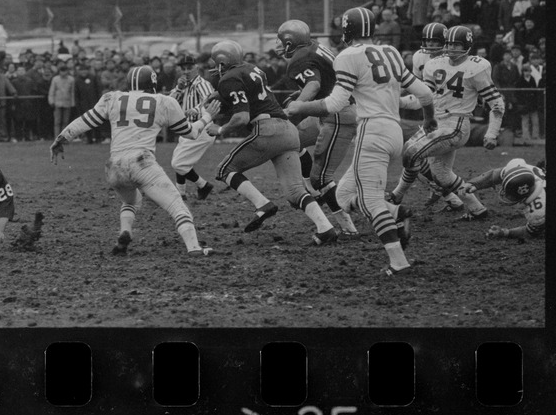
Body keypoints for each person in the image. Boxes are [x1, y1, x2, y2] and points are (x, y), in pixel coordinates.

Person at [284, 7, 436, 276]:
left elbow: (335, 103)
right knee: (343, 197)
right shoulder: (391, 51)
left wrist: (300, 107)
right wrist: (429, 120)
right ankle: (396, 213)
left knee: (370, 203)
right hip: (394, 131)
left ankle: (399, 262)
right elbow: (424, 93)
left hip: (372, 131)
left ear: (347, 30)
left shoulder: (348, 56)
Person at [49, 65, 218, 256]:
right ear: (153, 83)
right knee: (176, 205)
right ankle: (194, 247)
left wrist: (61, 138)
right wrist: (207, 116)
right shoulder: (164, 101)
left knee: (132, 201)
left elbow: (86, 120)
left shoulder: (112, 98)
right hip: (142, 163)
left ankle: (124, 235)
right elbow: (191, 133)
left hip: (114, 166)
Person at [206, 39, 339, 245]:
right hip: (288, 131)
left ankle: (262, 204)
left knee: (225, 169)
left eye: (217, 64)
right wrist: (213, 100)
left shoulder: (229, 79)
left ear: (223, 62)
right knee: (295, 191)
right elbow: (243, 96)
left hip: (268, 130)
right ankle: (326, 228)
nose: (216, 68)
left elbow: (241, 116)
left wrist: (220, 129)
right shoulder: (253, 69)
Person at [390, 25, 505, 220]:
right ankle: (477, 209)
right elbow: (424, 98)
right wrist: (396, 101)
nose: (451, 48)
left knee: (411, 153)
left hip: (456, 125)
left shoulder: (476, 67)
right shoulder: (434, 64)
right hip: (436, 122)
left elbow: (497, 103)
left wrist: (492, 133)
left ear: (467, 46)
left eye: (456, 45)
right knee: (441, 174)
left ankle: (396, 197)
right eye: (449, 44)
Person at [273, 20, 359, 234]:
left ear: (291, 42)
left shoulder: (299, 59)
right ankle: (312, 189)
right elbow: (324, 79)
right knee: (292, 139)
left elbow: (313, 84)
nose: (278, 45)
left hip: (336, 114)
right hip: (335, 109)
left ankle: (352, 225)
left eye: (281, 41)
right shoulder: (314, 47)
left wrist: (297, 105)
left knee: (321, 177)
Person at [168, 53, 218, 200]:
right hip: (188, 127)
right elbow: (168, 102)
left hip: (202, 128)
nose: (186, 71)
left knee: (178, 163)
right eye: (183, 69)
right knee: (180, 159)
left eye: (189, 68)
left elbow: (209, 100)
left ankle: (203, 185)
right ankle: (181, 193)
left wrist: (196, 109)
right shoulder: (185, 84)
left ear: (196, 67)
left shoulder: (201, 83)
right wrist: (178, 88)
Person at [472, 158, 545, 241]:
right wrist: (474, 183)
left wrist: (505, 232)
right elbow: (497, 174)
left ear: (522, 192)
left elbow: (529, 233)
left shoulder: (538, 211)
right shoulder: (526, 171)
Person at [48, 63, 75, 137]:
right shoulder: (55, 79)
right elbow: (52, 91)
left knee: (65, 121)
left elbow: (72, 92)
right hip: (57, 103)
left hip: (67, 102)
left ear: (67, 71)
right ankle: (57, 137)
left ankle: (64, 137)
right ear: (59, 71)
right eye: (61, 71)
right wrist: (51, 101)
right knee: (57, 121)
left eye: (64, 71)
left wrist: (73, 103)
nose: (63, 73)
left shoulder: (71, 79)